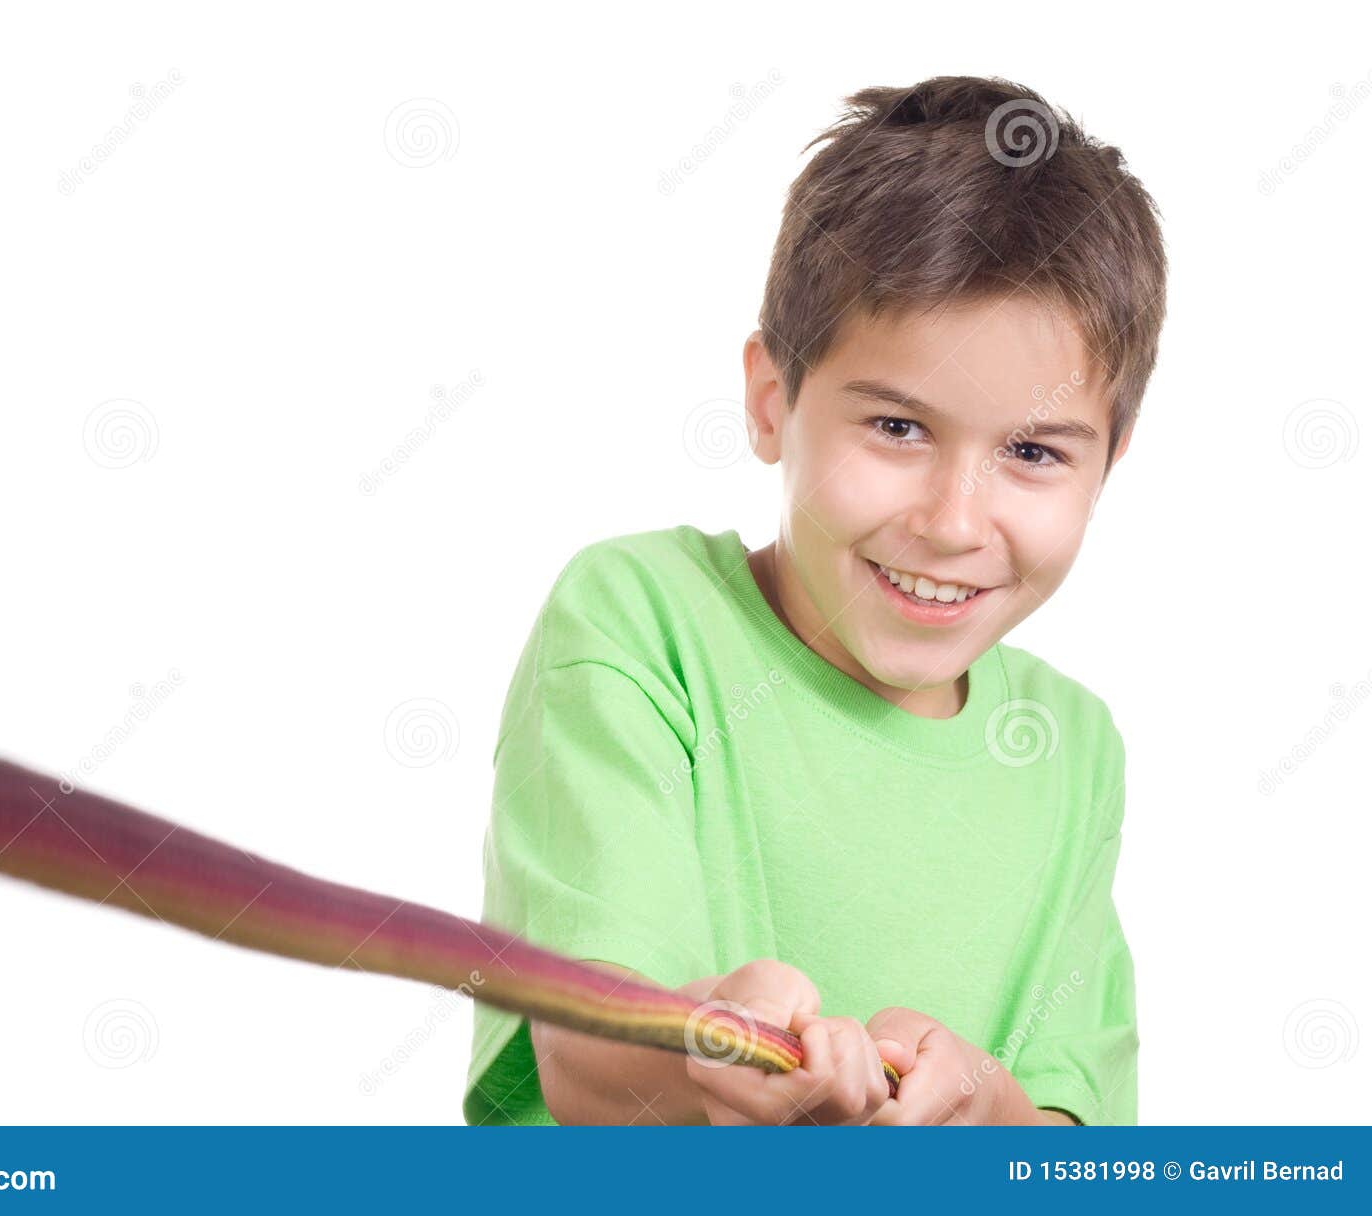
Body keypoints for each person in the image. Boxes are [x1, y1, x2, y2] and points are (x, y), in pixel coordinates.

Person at [463, 74, 1165, 1126]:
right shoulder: (639, 622)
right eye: (897, 428)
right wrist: (707, 1059)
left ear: (1108, 463)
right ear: (769, 402)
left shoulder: (1072, 747)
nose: (953, 523)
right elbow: (584, 1061)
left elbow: (1078, 1149)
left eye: (1031, 453)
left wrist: (989, 1117)